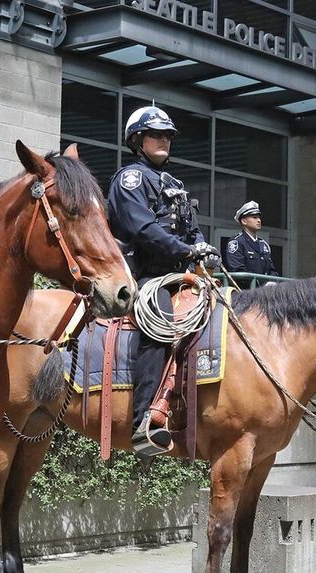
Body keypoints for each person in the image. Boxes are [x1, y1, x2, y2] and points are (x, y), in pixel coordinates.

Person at [106, 105, 220, 456]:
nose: (164, 140)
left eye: (168, 135)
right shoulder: (130, 179)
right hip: (145, 275)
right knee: (160, 325)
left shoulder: (175, 184)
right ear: (137, 140)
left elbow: (191, 228)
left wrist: (202, 247)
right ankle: (144, 423)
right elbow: (143, 228)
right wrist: (186, 251)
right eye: (156, 134)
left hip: (180, 272)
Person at [224, 200, 279, 284]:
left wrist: (272, 282)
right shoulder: (237, 242)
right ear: (244, 221)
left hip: (264, 293)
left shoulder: (263, 244)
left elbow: (271, 270)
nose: (259, 220)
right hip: (245, 292)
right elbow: (237, 270)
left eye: (259, 217)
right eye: (254, 217)